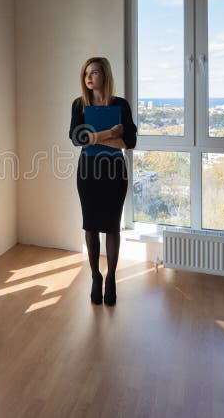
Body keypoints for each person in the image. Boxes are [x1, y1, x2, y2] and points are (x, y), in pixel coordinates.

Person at [68, 56, 137, 306]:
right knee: (91, 226)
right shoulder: (79, 105)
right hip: (88, 171)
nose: (89, 77)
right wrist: (109, 134)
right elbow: (77, 138)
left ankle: (110, 278)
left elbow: (128, 142)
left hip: (114, 171)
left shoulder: (121, 105)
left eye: (94, 72)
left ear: (105, 76)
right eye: (86, 73)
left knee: (112, 226)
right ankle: (96, 276)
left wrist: (94, 137)